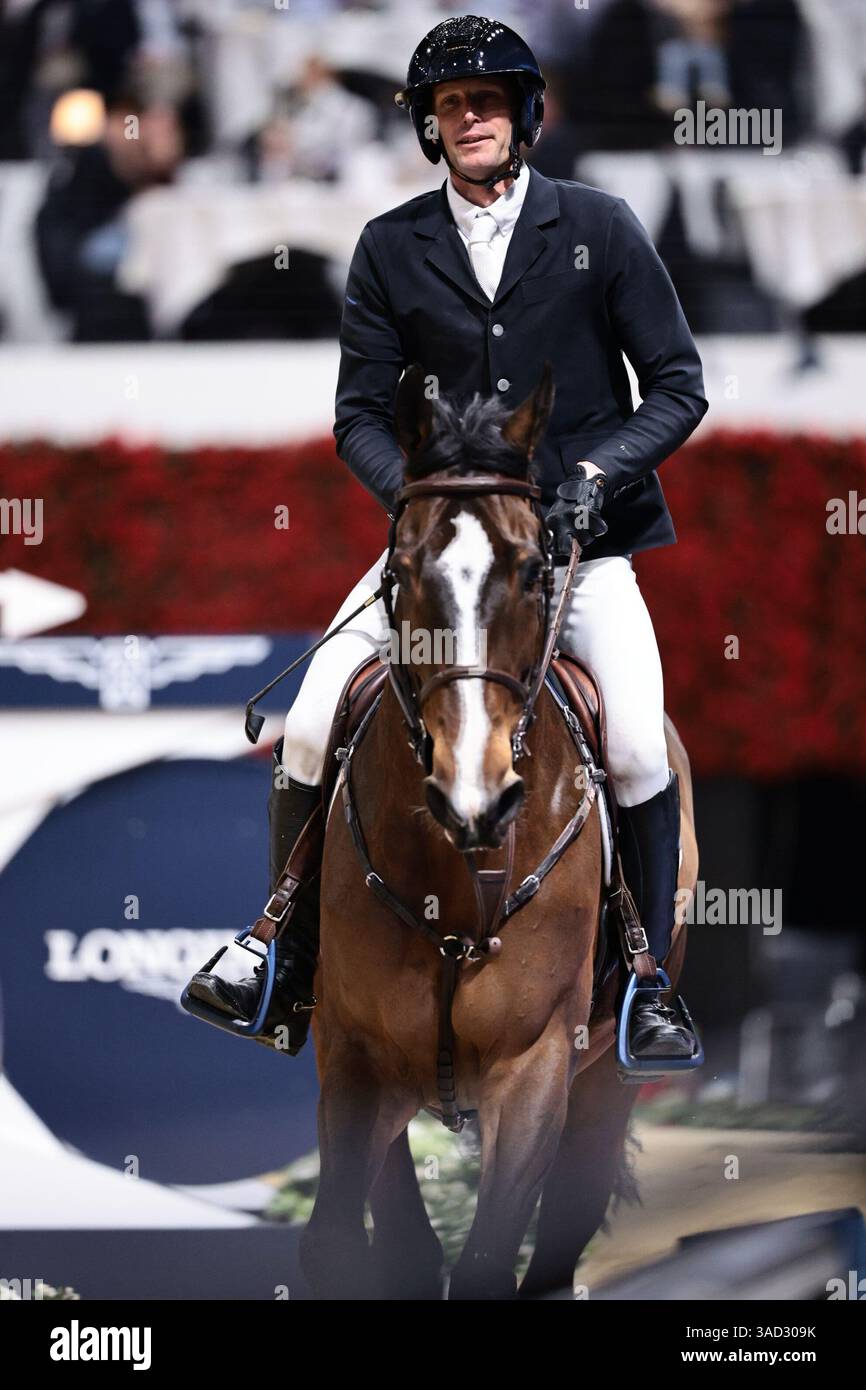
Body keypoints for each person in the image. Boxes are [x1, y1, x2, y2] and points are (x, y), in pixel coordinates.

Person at [185, 14, 709, 1063]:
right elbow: (357, 418)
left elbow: (677, 387)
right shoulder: (389, 246)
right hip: (444, 559)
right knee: (304, 721)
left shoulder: (598, 226)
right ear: (431, 128)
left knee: (641, 745)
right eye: (451, 107)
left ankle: (644, 981)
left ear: (523, 115)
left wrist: (595, 475)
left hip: (578, 550)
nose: (470, 120)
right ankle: (280, 955)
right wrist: (419, 502)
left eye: (487, 102)